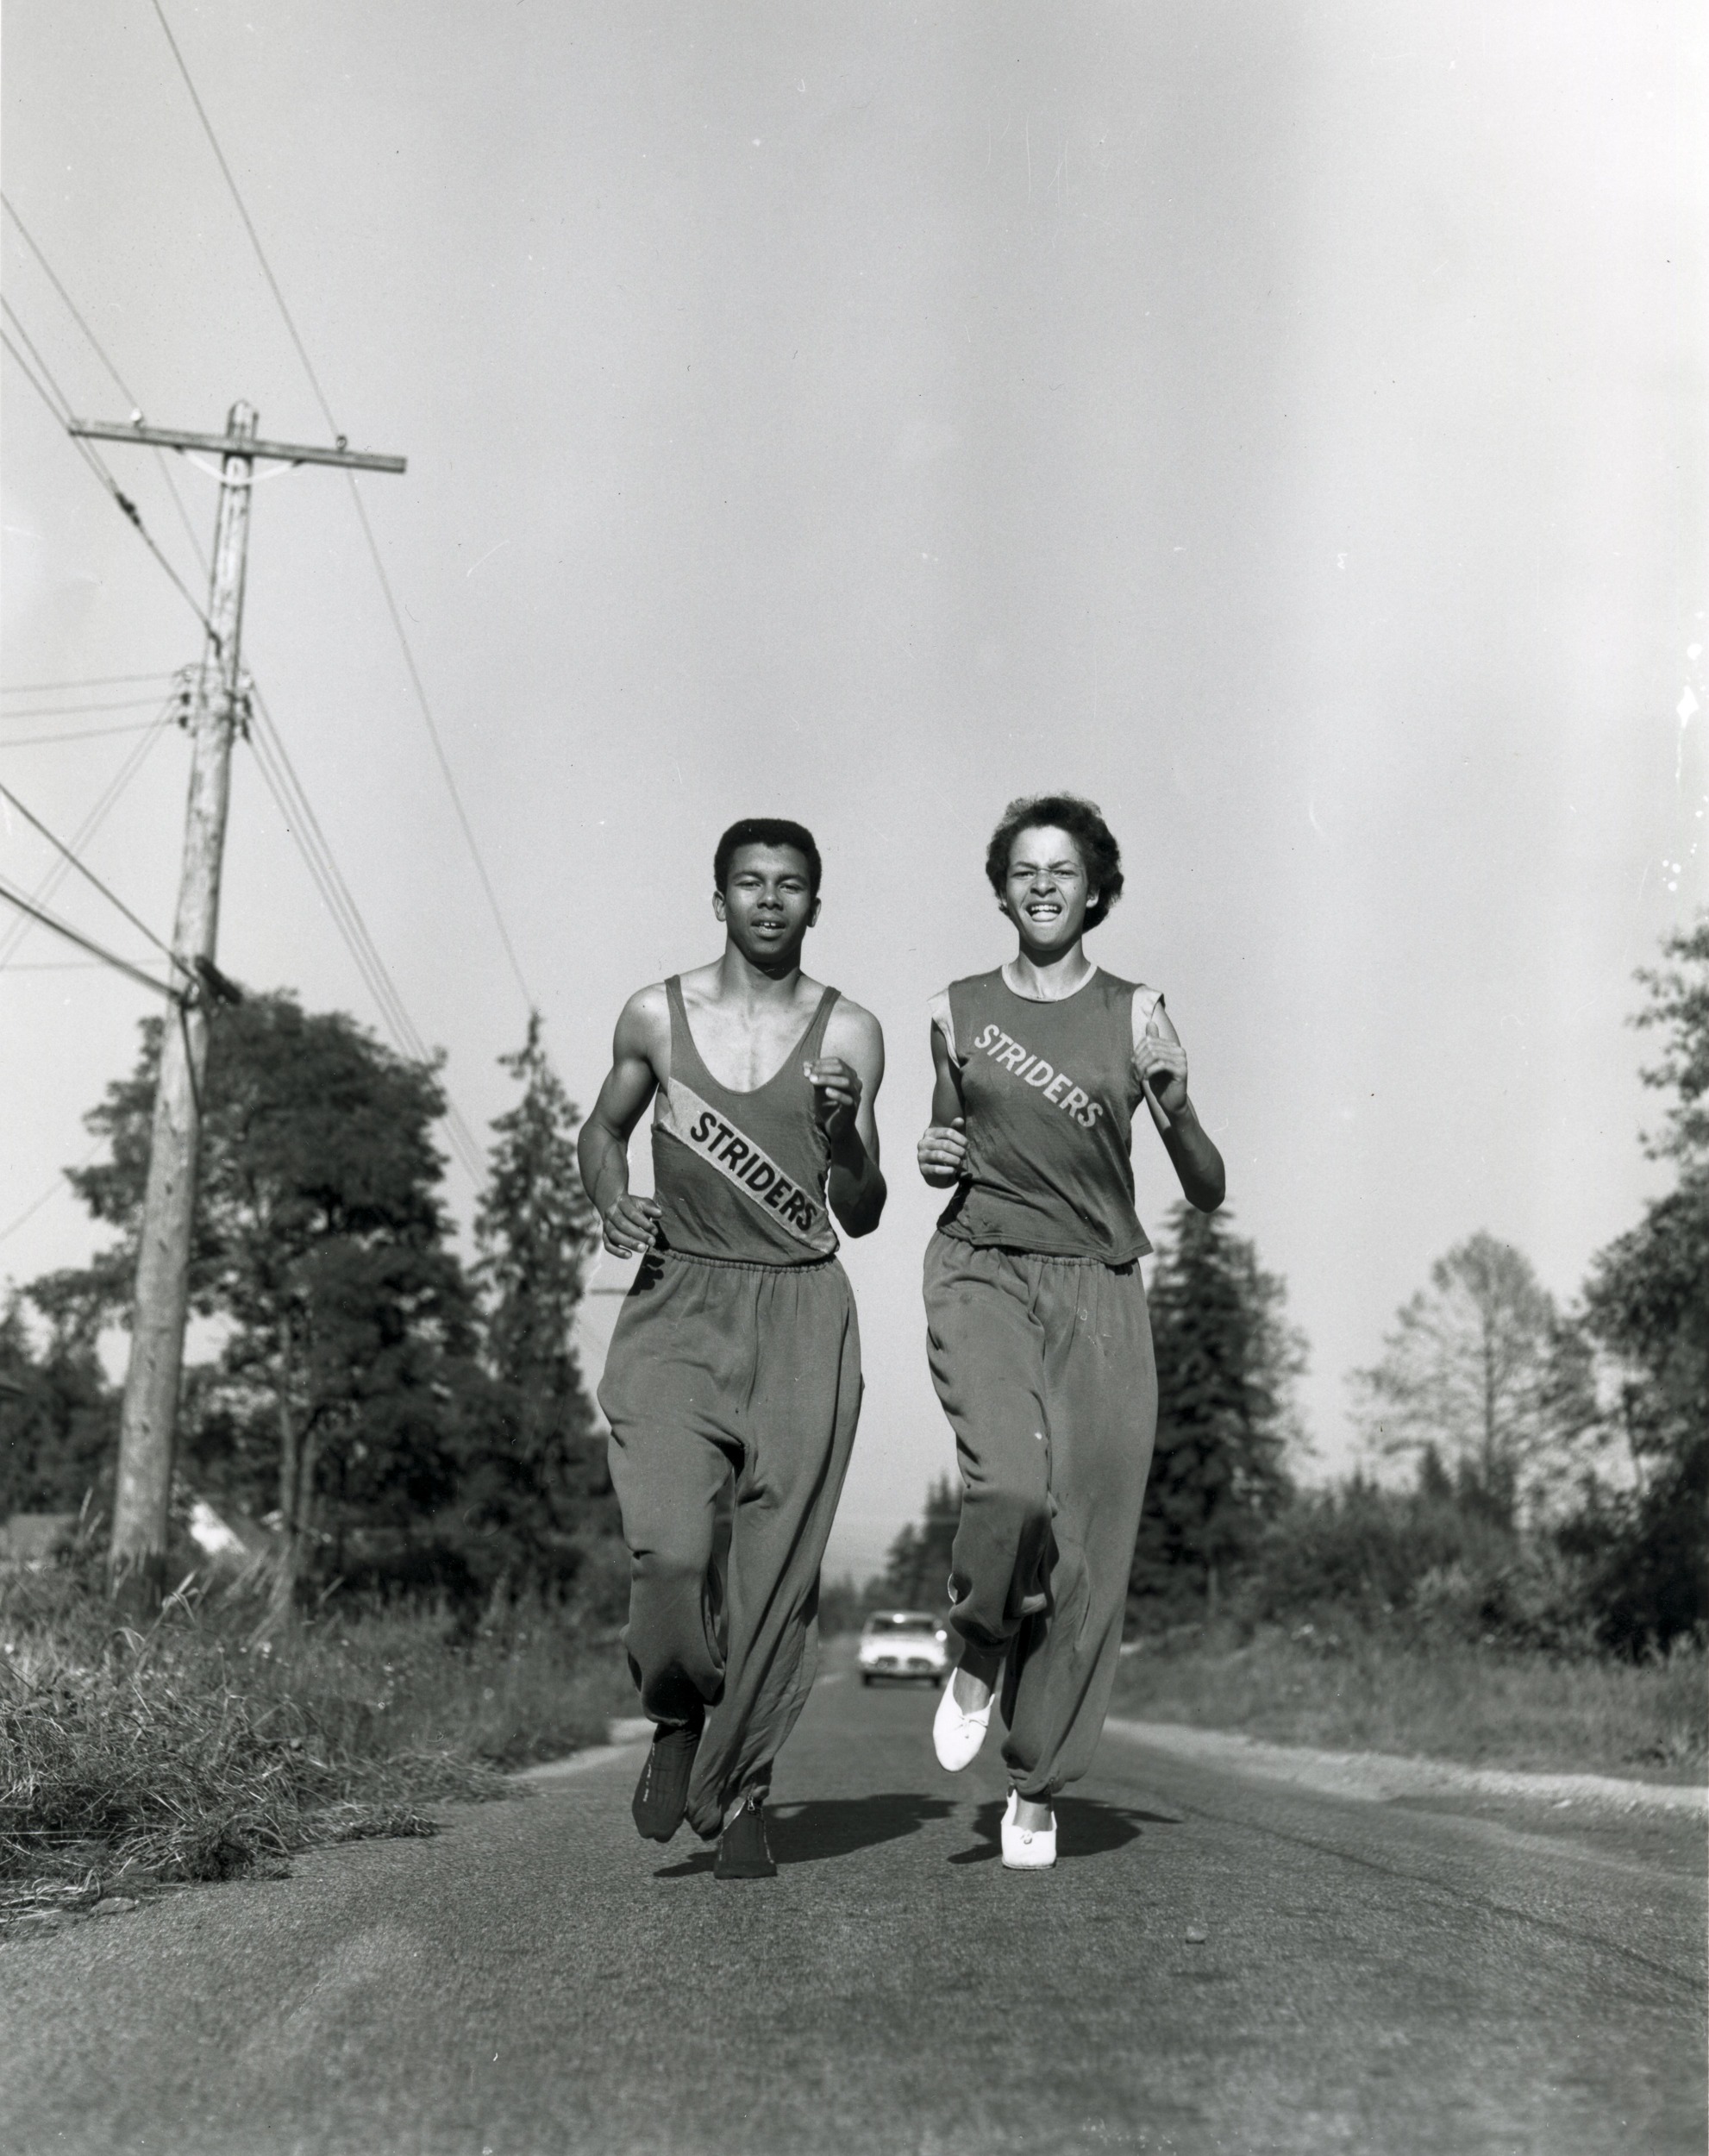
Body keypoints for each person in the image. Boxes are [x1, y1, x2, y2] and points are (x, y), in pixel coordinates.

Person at [917, 794, 1224, 1870]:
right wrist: (932, 1152)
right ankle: (979, 1638)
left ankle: (1034, 1778)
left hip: (1097, 1289)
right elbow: (944, 1139)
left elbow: (1206, 1187)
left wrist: (1177, 1110)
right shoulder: (953, 1012)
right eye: (1023, 870)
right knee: (1008, 1488)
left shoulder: (1137, 1013)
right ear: (1000, 888)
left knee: (1088, 1550)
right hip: (982, 1267)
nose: (1042, 884)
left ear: (1095, 886)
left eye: (1063, 869)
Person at [579, 818, 886, 1880]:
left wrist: (843, 1135)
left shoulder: (849, 1033)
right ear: (718, 899)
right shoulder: (655, 1017)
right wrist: (614, 1201)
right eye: (749, 884)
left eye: (790, 886)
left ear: (813, 903)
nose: (768, 901)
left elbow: (868, 1205)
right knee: (668, 1551)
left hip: (802, 1310)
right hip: (679, 1301)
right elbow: (600, 1131)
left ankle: (746, 1785)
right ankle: (675, 1716)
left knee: (772, 1582)